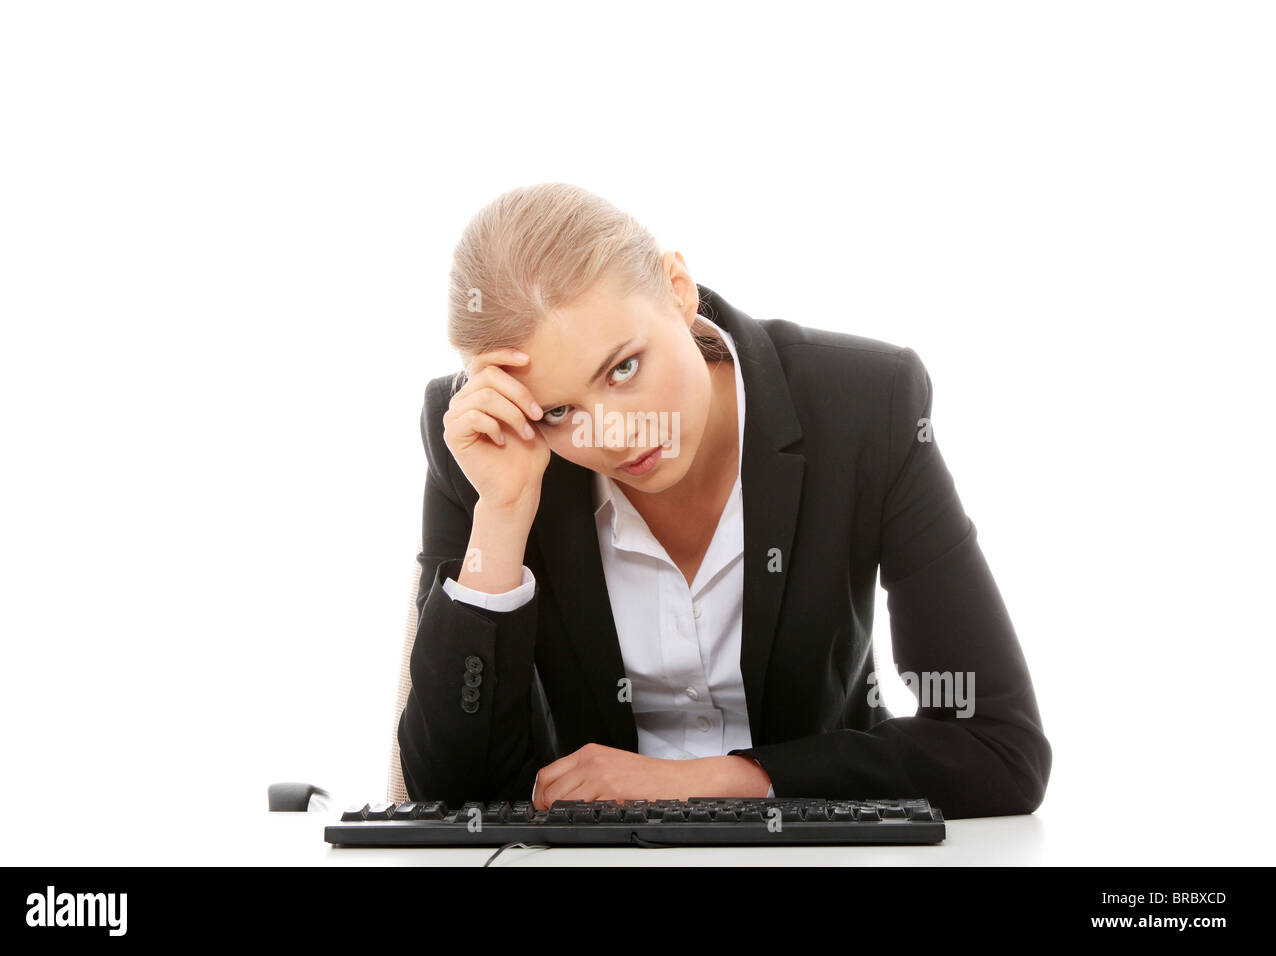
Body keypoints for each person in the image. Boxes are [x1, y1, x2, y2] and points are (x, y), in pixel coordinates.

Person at [398, 182, 1051, 819]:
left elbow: (997, 749)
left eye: (623, 367)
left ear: (678, 289)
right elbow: (450, 799)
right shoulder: (486, 445)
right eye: (559, 410)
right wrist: (504, 514)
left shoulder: (866, 407)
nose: (616, 434)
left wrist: (709, 782)